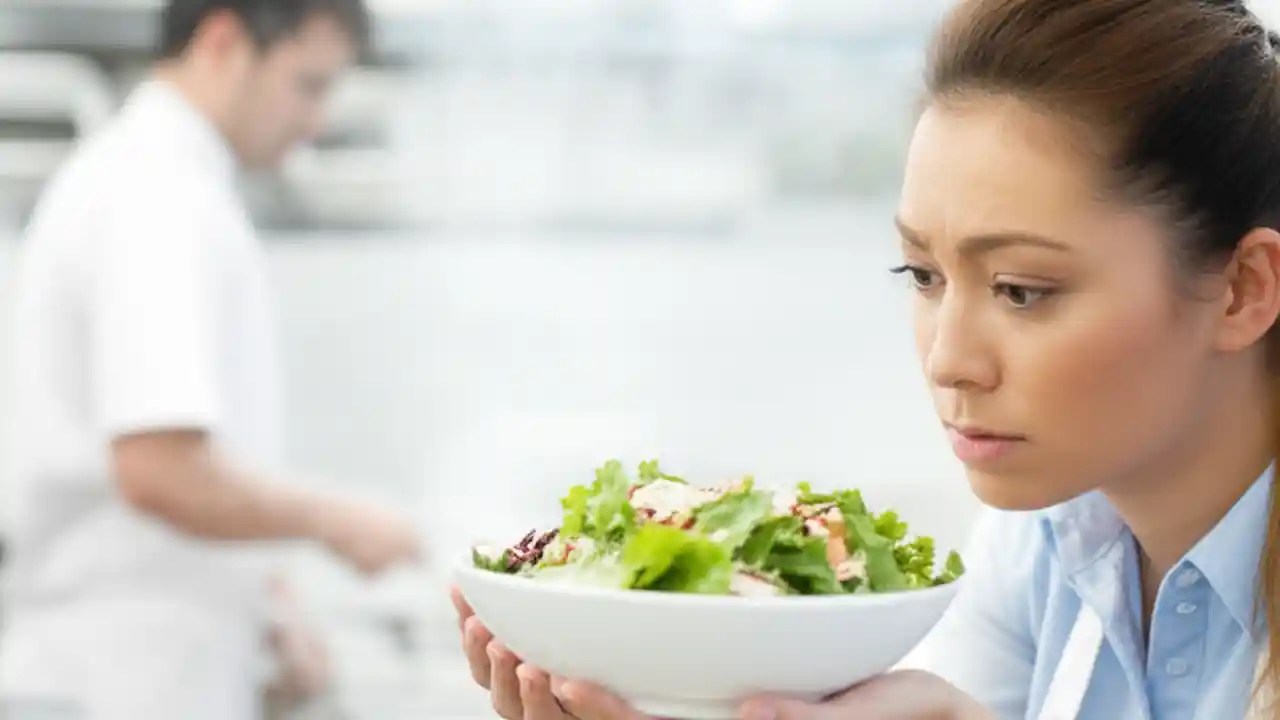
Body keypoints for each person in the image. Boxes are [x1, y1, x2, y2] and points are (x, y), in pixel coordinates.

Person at [450, 0, 1280, 717]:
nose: (949, 361)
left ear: (1243, 290)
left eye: (1023, 290)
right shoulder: (1050, 538)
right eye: (923, 275)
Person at [0, 1, 422, 719]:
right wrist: (346, 521)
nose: (317, 122)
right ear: (223, 40)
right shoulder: (157, 197)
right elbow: (158, 468)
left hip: (131, 667)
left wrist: (271, 604)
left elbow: (186, 455)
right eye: (309, 85)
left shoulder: (151, 180)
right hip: (116, 676)